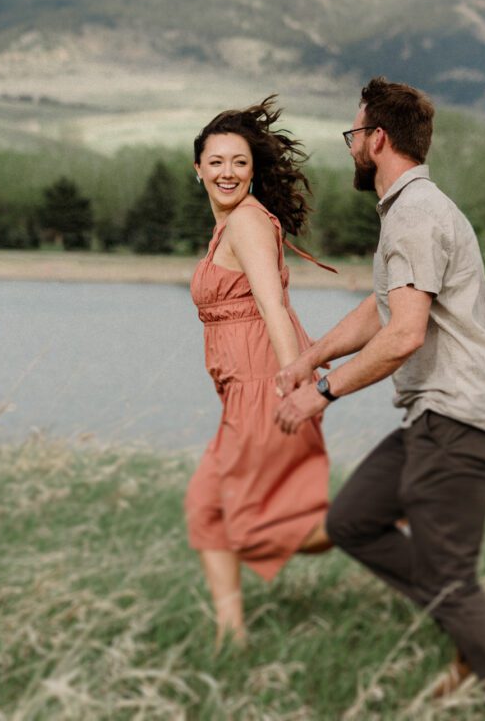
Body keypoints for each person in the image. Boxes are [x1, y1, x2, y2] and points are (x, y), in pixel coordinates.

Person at [273, 77, 485, 717]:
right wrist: (313, 355)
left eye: (354, 135)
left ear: (379, 139)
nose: (350, 148)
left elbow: (403, 335)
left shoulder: (416, 216)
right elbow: (383, 306)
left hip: (461, 418)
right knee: (353, 521)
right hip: (434, 416)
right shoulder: (408, 210)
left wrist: (322, 393)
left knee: (450, 579)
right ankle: (480, 633)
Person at [186, 97, 334, 647]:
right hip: (241, 387)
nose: (228, 172)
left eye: (239, 163)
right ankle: (233, 639)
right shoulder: (230, 226)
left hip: (262, 384)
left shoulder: (246, 222)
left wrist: (292, 377)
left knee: (257, 525)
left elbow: (272, 306)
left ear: (253, 171)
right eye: (217, 162)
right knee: (208, 508)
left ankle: (376, 521)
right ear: (197, 168)